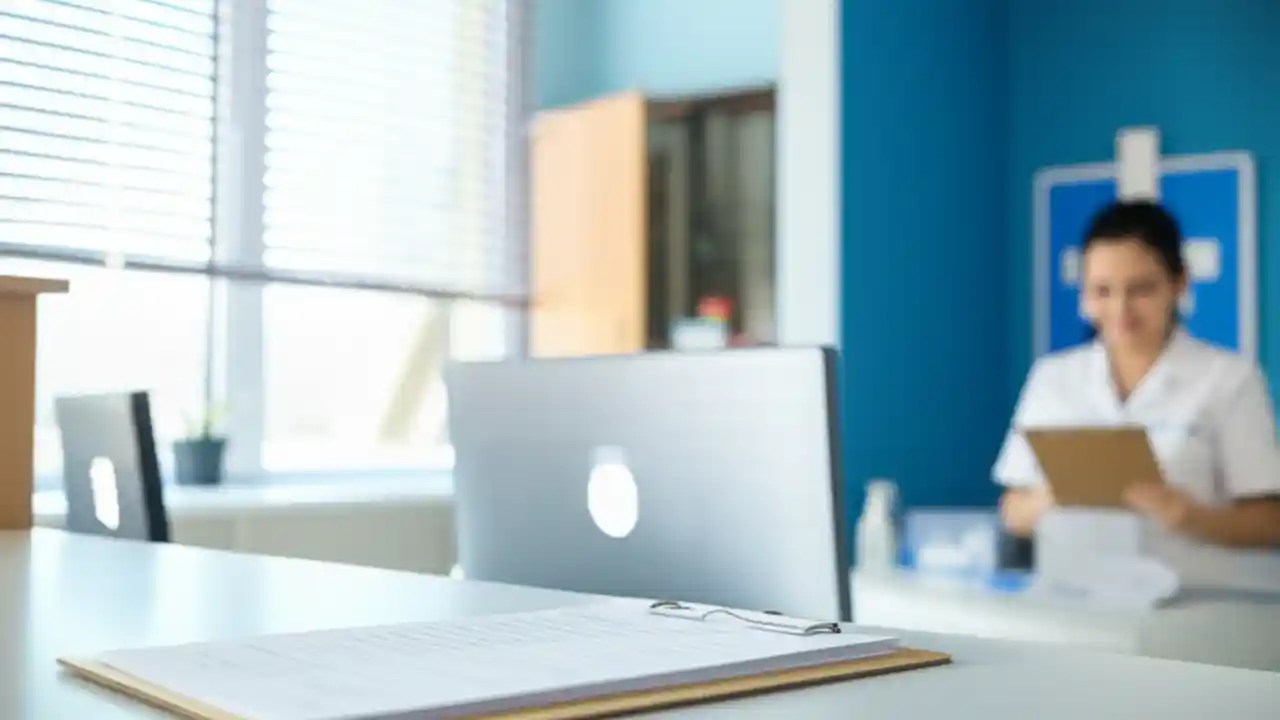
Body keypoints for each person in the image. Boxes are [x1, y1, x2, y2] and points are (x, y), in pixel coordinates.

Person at [994, 200, 1280, 549]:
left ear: (1179, 283)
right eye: (1102, 291)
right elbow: (1012, 509)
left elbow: (1270, 522)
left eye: (1141, 289)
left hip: (1197, 595)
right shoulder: (1052, 377)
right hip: (1071, 595)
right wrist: (1054, 498)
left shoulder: (1230, 379)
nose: (1120, 309)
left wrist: (1189, 516)